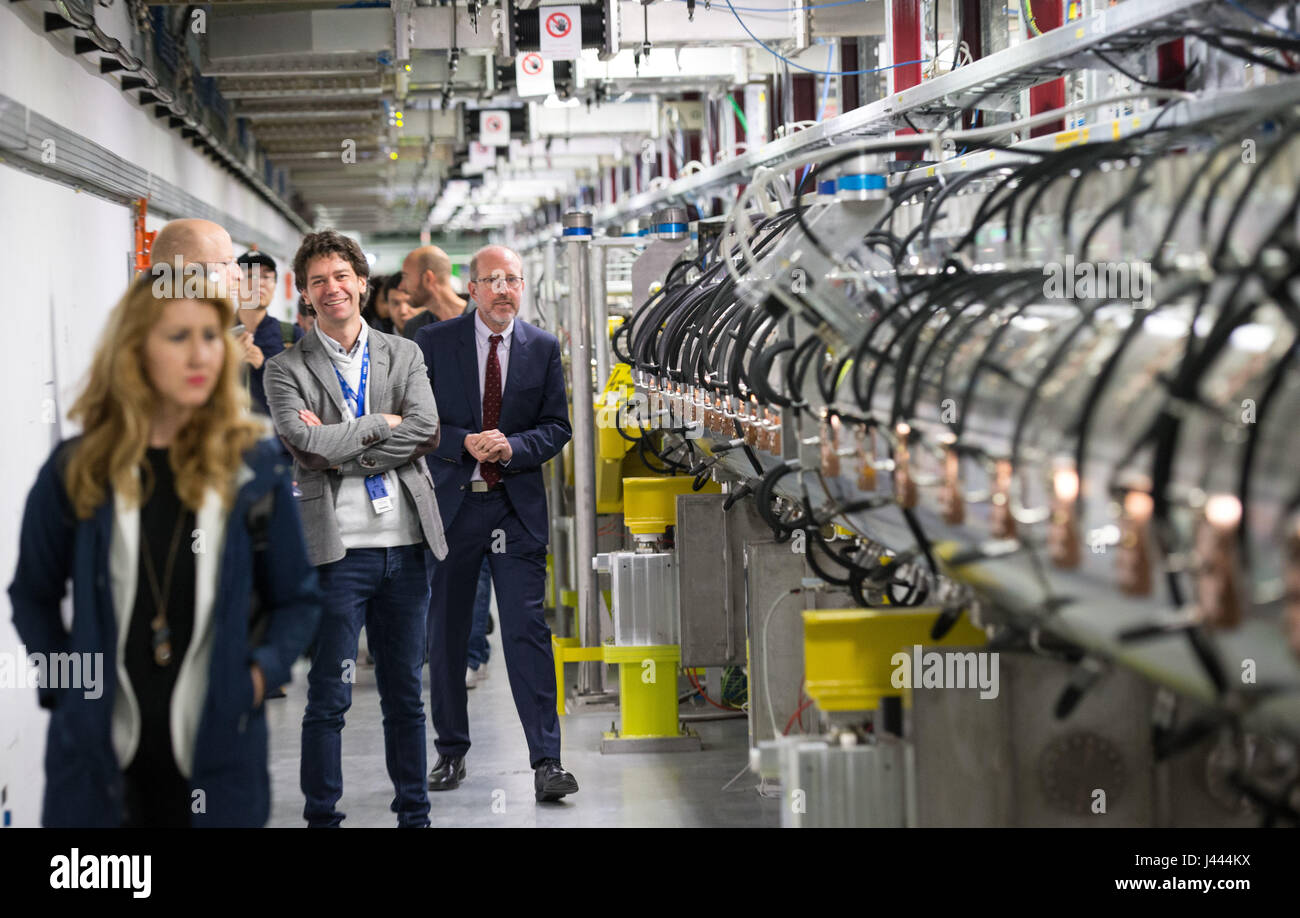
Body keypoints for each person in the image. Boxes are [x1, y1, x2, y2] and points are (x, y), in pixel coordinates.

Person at [7, 272, 321, 827]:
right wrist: (66, 688)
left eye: (210, 336)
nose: (201, 354)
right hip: (98, 771)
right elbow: (32, 595)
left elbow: (296, 599)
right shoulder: (77, 471)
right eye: (178, 337)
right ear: (134, 350)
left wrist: (257, 677)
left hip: (219, 765)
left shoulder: (252, 468)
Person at [263, 230, 448, 828]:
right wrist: (377, 424)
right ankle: (322, 817)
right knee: (328, 697)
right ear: (306, 296)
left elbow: (428, 432)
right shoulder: (284, 368)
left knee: (405, 697)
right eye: (318, 281)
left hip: (406, 547)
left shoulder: (404, 354)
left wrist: (343, 445)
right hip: (337, 553)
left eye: (342, 276)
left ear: (363, 284)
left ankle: (413, 814)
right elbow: (305, 447)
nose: (332, 288)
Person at [415, 244, 577, 802]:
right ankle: (450, 751)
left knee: (526, 630)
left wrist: (514, 445)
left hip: (514, 505)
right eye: (494, 280)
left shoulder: (542, 348)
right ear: (473, 289)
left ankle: (547, 761)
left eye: (514, 279)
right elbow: (419, 422)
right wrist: (464, 440)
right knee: (448, 630)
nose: (505, 289)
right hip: (456, 505)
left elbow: (557, 426)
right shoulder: (435, 344)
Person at [234, 250, 286, 415]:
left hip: (277, 436)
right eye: (250, 276)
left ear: (275, 285)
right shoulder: (216, 334)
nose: (259, 283)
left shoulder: (291, 336)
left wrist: (263, 366)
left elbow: (306, 394)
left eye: (266, 277)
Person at [399, 245, 466, 341]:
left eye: (406, 277)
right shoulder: (414, 328)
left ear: (428, 278)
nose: (401, 286)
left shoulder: (482, 319)